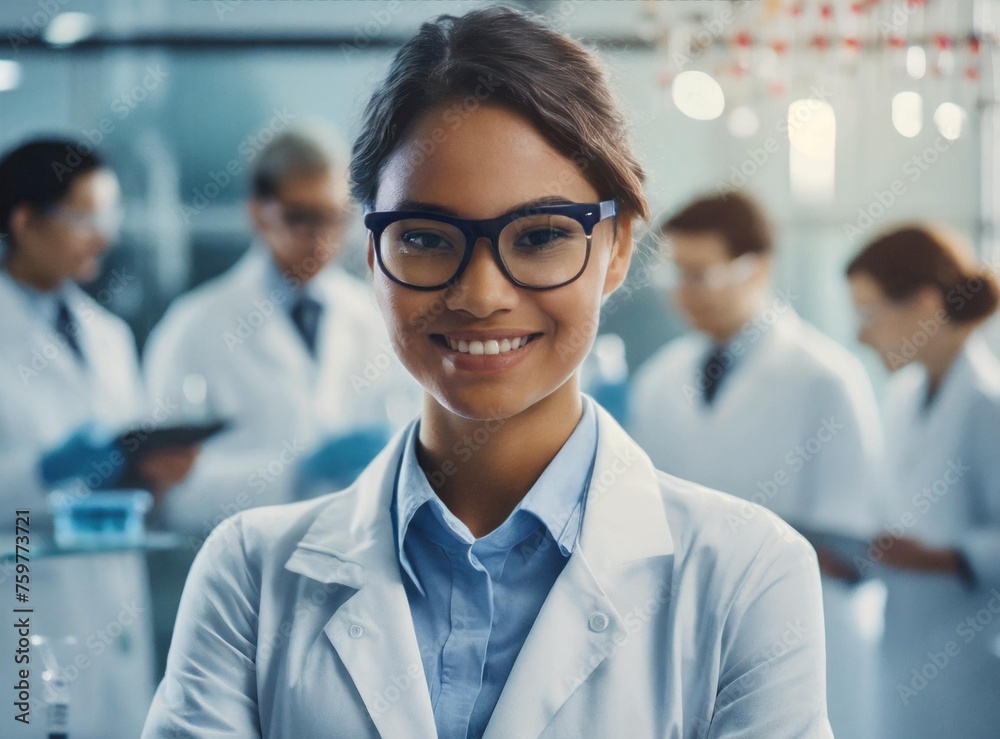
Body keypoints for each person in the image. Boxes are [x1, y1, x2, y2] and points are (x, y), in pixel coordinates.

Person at [142, 8, 832, 738]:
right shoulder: (249, 576)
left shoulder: (749, 574)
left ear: (619, 248)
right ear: (374, 253)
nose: (479, 294)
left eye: (539, 236)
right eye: (426, 238)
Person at [628, 192, 884, 739]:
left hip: (803, 633)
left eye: (701, 274)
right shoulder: (658, 381)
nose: (684, 293)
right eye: (675, 274)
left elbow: (853, 547)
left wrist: (734, 555)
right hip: (687, 638)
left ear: (758, 268)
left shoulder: (825, 379)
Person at [0, 138, 198, 738]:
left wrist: (154, 475)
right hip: (25, 601)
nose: (104, 237)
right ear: (25, 221)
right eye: (85, 217)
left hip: (113, 606)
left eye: (108, 217)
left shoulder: (109, 336)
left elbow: (126, 477)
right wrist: (45, 471)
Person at [143, 123, 419, 544]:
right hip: (251, 571)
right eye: (302, 218)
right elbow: (172, 495)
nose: (323, 239)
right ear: (258, 212)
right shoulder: (195, 328)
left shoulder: (375, 316)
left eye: (336, 218)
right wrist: (301, 471)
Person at [846, 224, 1000, 739]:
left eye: (869, 312)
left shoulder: (989, 406)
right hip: (907, 651)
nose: (860, 334)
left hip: (975, 667)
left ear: (928, 304)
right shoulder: (906, 397)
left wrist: (947, 559)